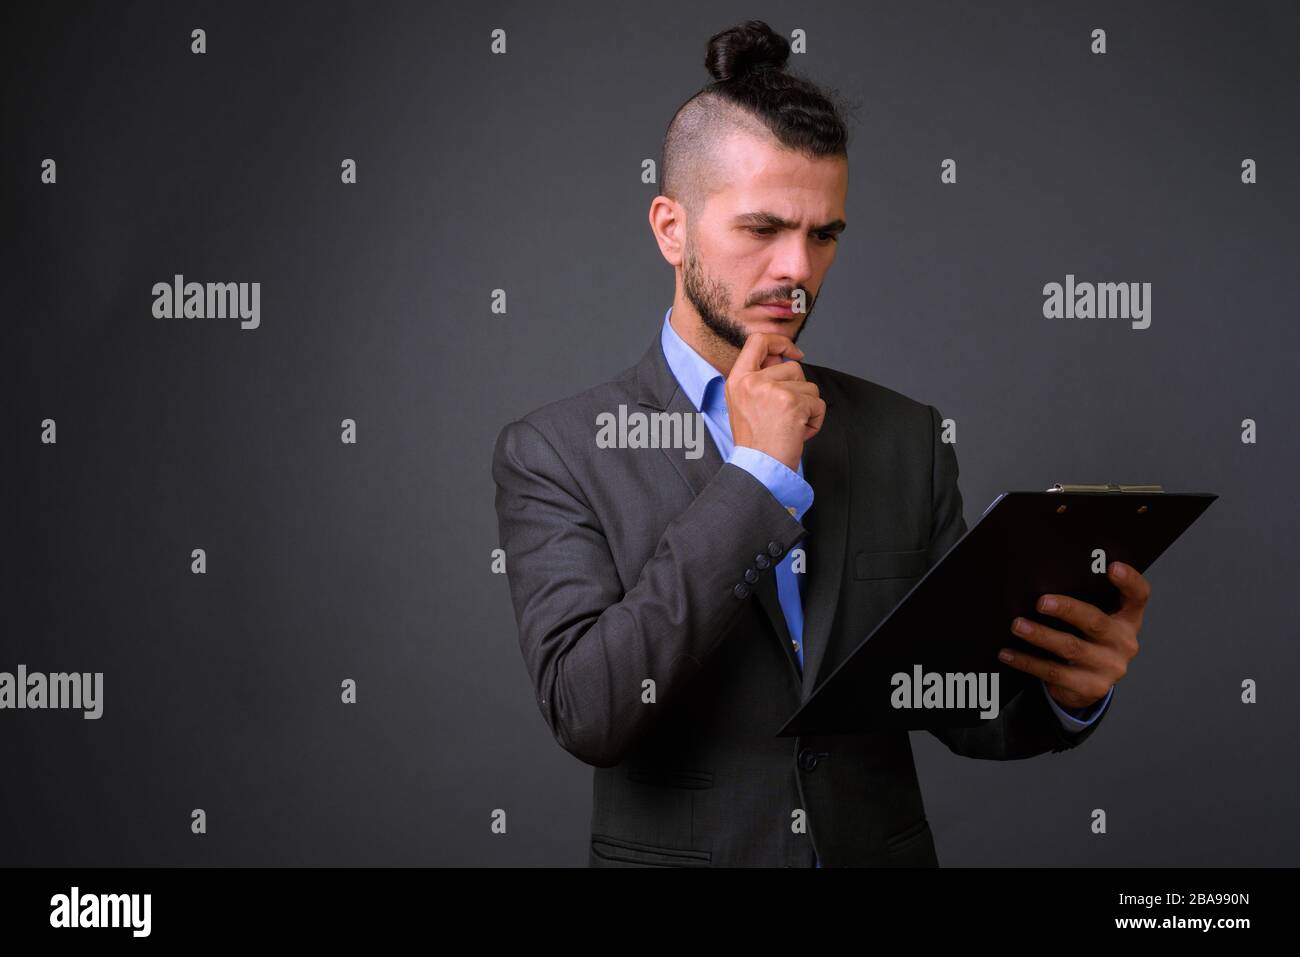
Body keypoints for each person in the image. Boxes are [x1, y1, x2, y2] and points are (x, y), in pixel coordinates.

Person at [491, 19, 1147, 867]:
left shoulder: (906, 435)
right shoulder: (554, 451)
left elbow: (958, 704)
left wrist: (1064, 691)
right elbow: (592, 710)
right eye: (762, 229)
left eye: (824, 234)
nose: (797, 269)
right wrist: (757, 477)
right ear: (670, 228)